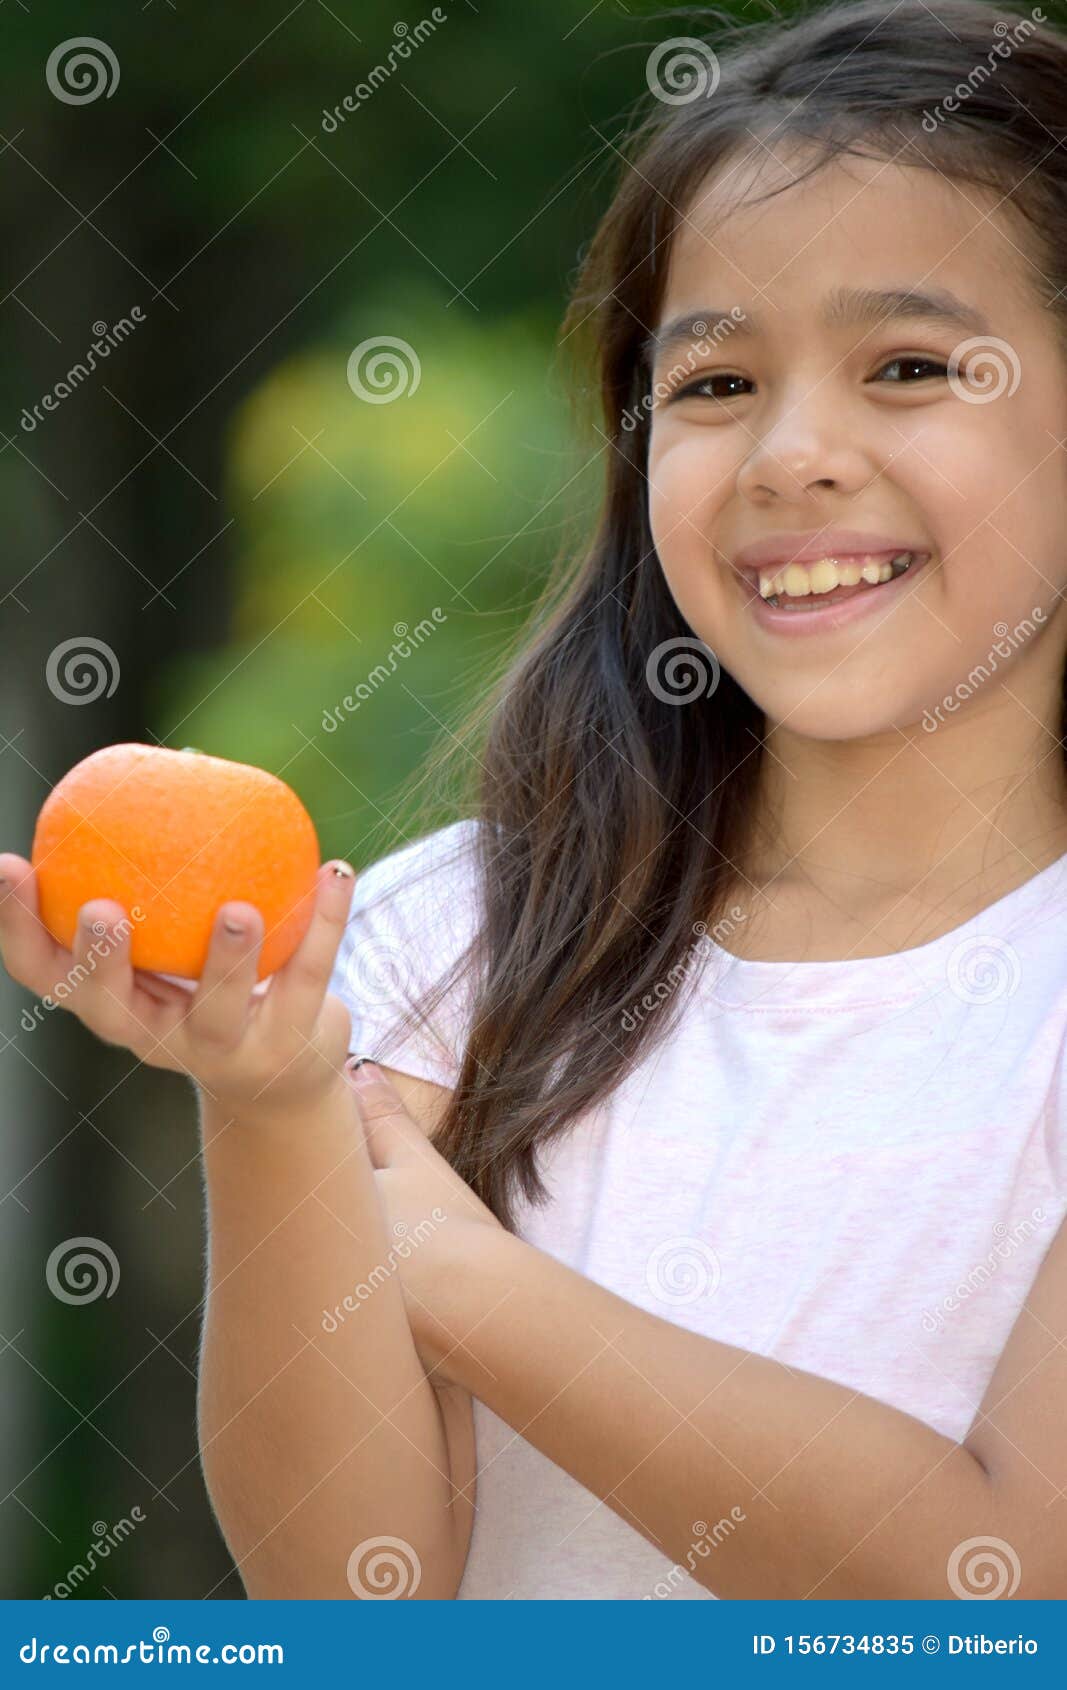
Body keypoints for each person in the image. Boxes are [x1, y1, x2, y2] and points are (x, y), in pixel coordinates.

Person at [3, 0, 1067, 1601]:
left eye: (908, 364)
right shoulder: (459, 936)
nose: (789, 454)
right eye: (712, 384)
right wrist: (275, 1101)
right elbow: (357, 1594)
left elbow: (1008, 1578)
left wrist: (453, 1278)